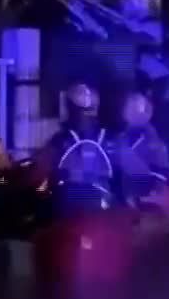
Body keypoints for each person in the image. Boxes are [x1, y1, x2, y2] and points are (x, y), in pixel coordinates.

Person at [38, 82, 118, 210]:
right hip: (98, 203)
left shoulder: (61, 139)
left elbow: (41, 169)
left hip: (71, 203)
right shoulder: (110, 138)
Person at [108, 91, 169, 205]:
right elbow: (112, 166)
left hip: (145, 197)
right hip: (121, 199)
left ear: (147, 112)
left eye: (137, 108)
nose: (133, 112)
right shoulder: (118, 138)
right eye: (129, 108)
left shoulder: (154, 140)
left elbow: (163, 168)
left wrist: (154, 192)